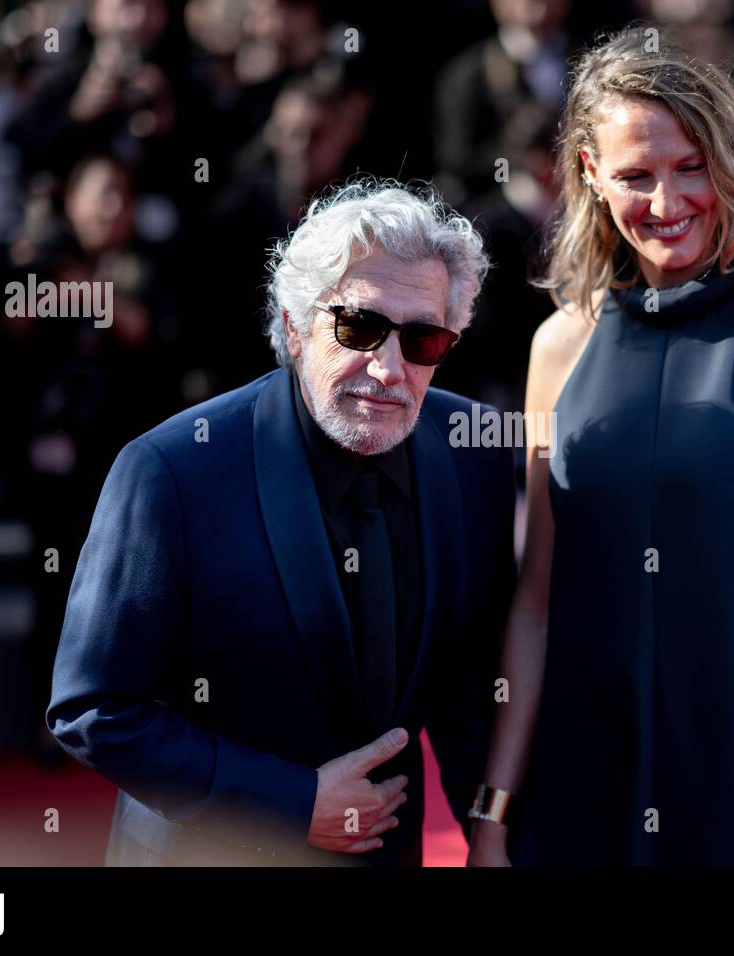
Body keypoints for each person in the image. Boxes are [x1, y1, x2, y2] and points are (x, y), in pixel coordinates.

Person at [467, 28, 734, 866]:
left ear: (730, 158)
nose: (667, 202)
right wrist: (494, 811)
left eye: (690, 166)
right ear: (587, 172)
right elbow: (537, 600)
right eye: (635, 175)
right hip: (589, 781)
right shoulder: (559, 346)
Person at [47, 179, 516, 866]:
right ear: (295, 327)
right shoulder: (174, 471)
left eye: (422, 339)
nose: (388, 369)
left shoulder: (472, 450)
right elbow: (96, 708)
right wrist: (294, 801)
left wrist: (493, 828)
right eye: (359, 327)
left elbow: (473, 684)